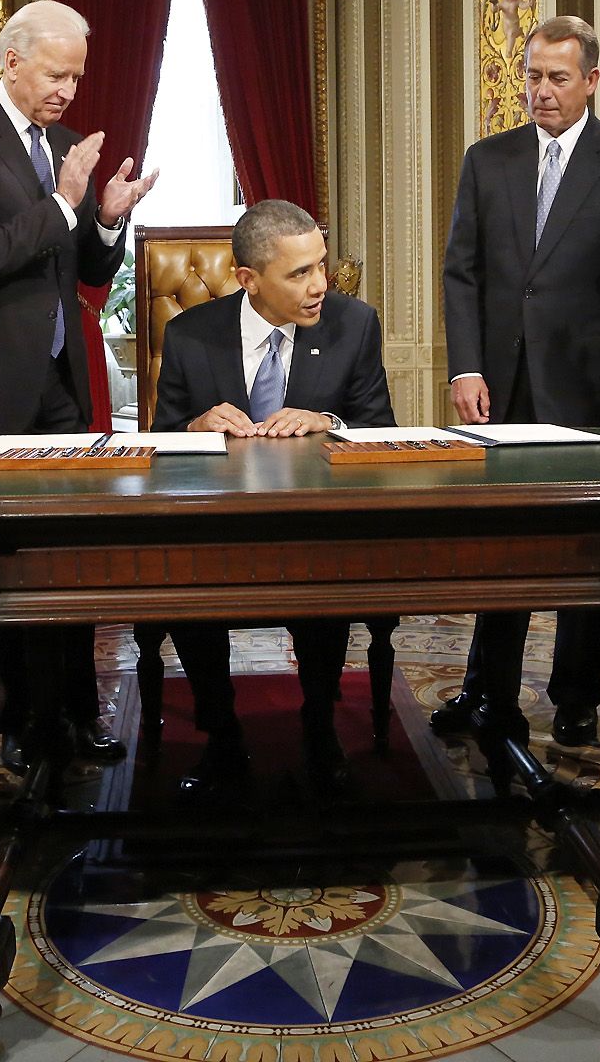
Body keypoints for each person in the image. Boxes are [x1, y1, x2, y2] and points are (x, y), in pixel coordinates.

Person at [0, 0, 158, 771]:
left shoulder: (61, 145)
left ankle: (73, 711)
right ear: (12, 60)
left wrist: (106, 223)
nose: (67, 89)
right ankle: (21, 725)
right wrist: (63, 202)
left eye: (76, 76)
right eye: (56, 73)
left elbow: (85, 275)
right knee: (8, 574)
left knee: (66, 563)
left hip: (58, 386)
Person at [438, 15, 600, 749]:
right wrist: (466, 364)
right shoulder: (488, 159)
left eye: (558, 77)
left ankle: (574, 697)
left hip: (592, 389)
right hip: (500, 387)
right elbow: (462, 271)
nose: (541, 90)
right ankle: (487, 692)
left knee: (583, 552)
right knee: (498, 548)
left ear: (592, 81)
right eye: (533, 75)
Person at [150, 200, 395, 797]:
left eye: (320, 266)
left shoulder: (353, 323)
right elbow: (157, 443)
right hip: (217, 528)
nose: (319, 286)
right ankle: (221, 729)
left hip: (314, 524)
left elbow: (383, 430)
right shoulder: (189, 335)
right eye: (299, 274)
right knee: (182, 578)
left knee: (327, 576)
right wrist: (194, 426)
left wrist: (327, 420)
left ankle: (318, 722)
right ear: (248, 280)